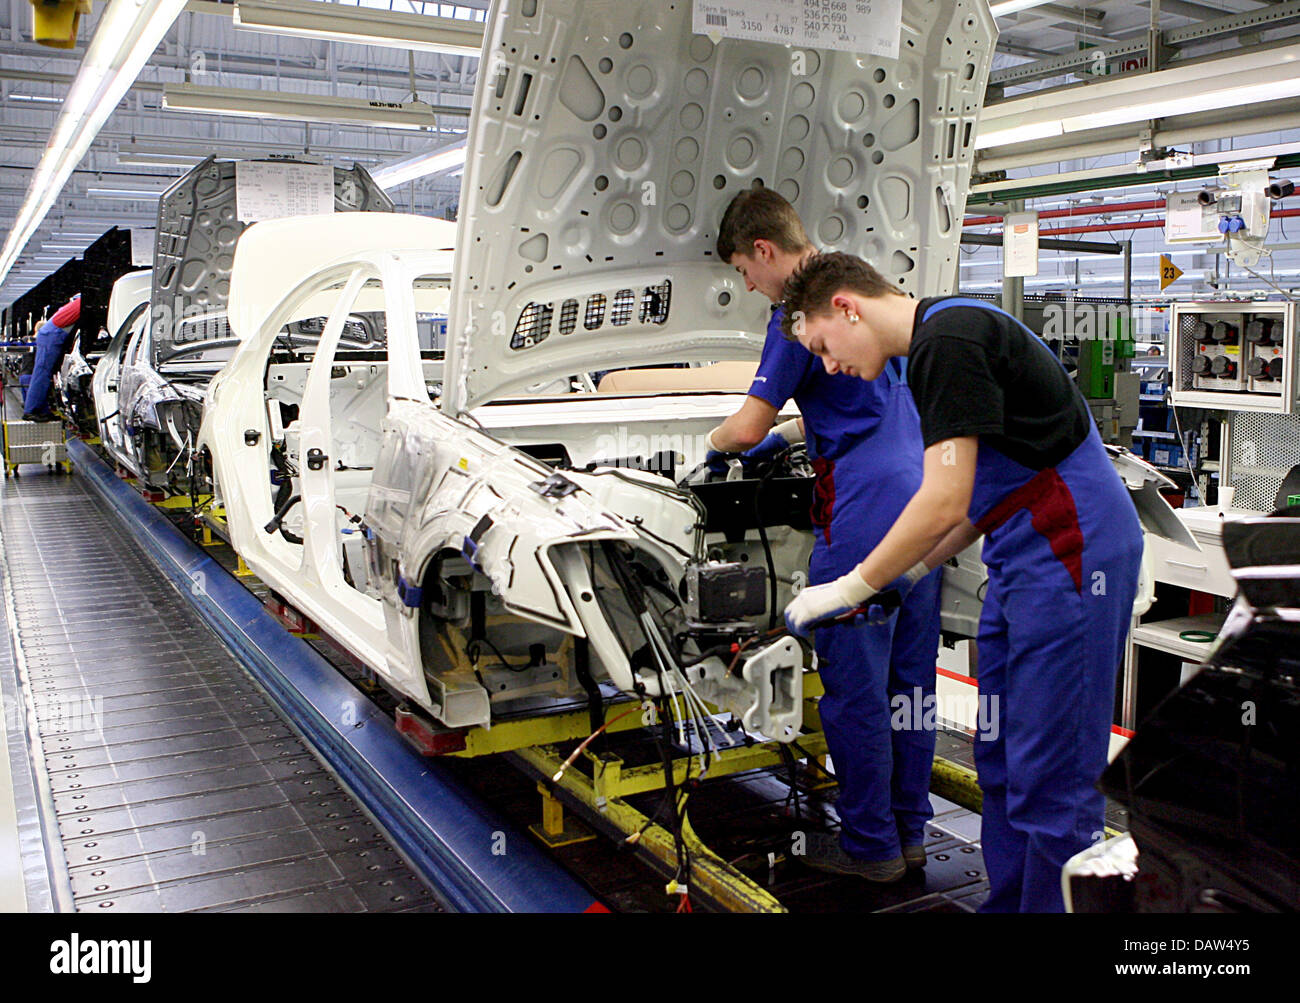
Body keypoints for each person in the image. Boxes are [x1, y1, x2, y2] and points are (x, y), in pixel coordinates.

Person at [779, 252, 1142, 912]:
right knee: (1000, 757)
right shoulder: (937, 346)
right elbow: (978, 497)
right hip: (1020, 556)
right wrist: (908, 575)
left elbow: (943, 498)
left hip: (1072, 554)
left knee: (1054, 777)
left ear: (846, 308)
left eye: (823, 348)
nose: (828, 367)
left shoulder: (948, 339)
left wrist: (851, 586)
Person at [705, 190, 942, 883]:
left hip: (863, 514)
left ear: (764, 250)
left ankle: (872, 850)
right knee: (910, 684)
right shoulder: (868, 294)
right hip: (927, 508)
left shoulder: (796, 315)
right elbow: (855, 400)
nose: (748, 285)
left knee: (856, 690)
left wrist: (711, 448)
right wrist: (791, 435)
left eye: (743, 270)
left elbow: (745, 426)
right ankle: (910, 834)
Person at [23, 294, 80, 421]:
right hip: (51, 335)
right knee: (42, 374)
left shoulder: (79, 302)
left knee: (45, 375)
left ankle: (43, 410)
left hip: (52, 333)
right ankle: (30, 411)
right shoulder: (84, 303)